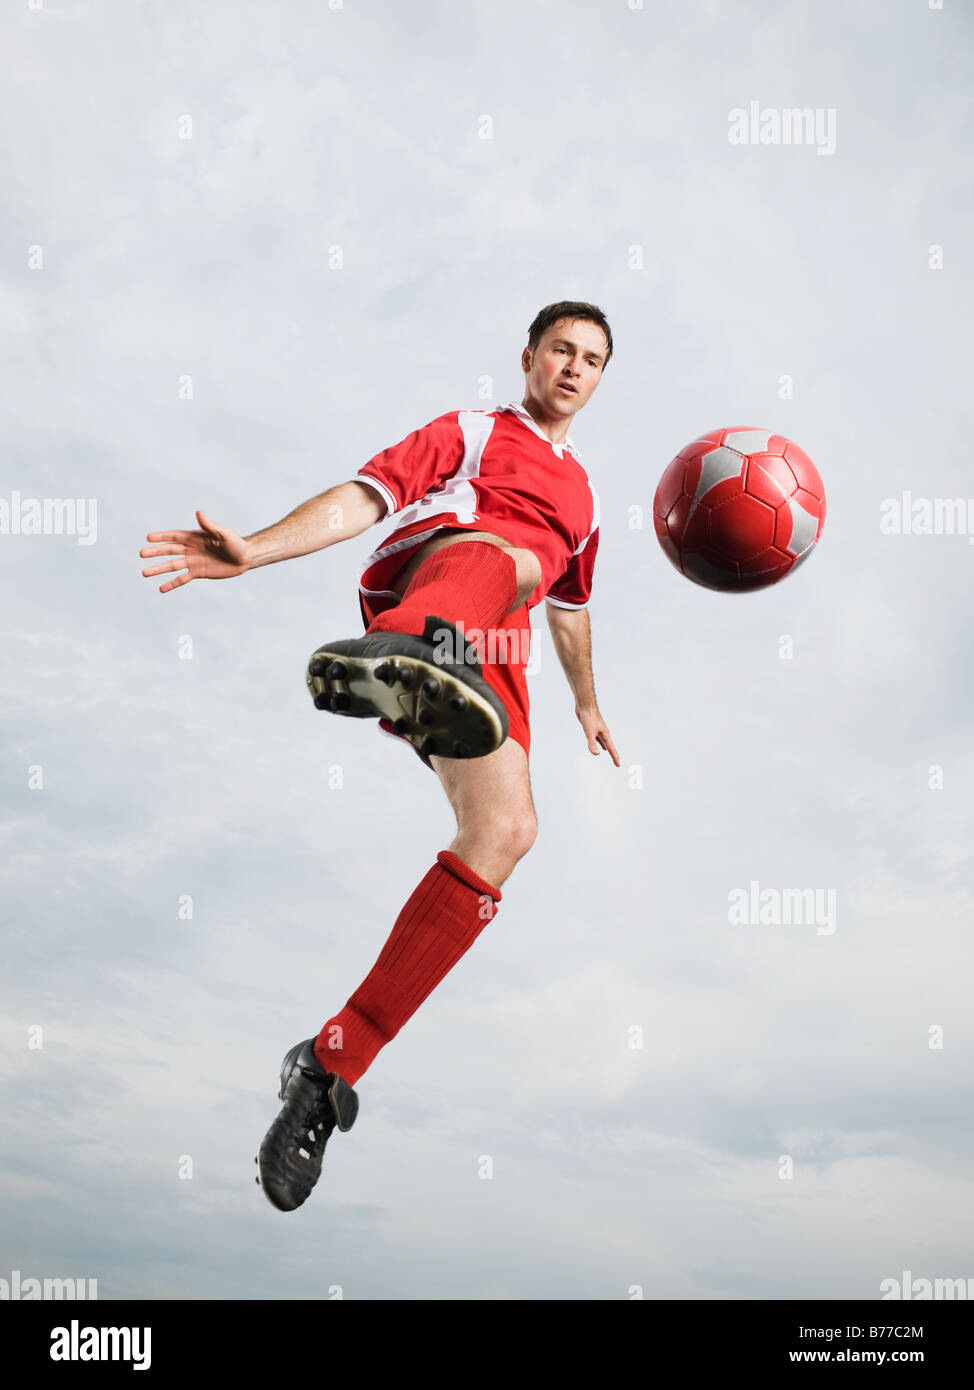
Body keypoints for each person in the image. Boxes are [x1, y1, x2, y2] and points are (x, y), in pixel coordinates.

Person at [140, 300, 621, 1212]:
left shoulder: (589, 500)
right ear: (528, 357)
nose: (572, 367)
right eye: (560, 349)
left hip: (491, 650)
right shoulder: (474, 430)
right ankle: (405, 648)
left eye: (591, 359)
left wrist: (588, 702)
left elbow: (569, 606)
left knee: (508, 831)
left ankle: (329, 1064)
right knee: (507, 549)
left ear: (600, 379)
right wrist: (255, 552)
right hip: (439, 576)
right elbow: (369, 495)